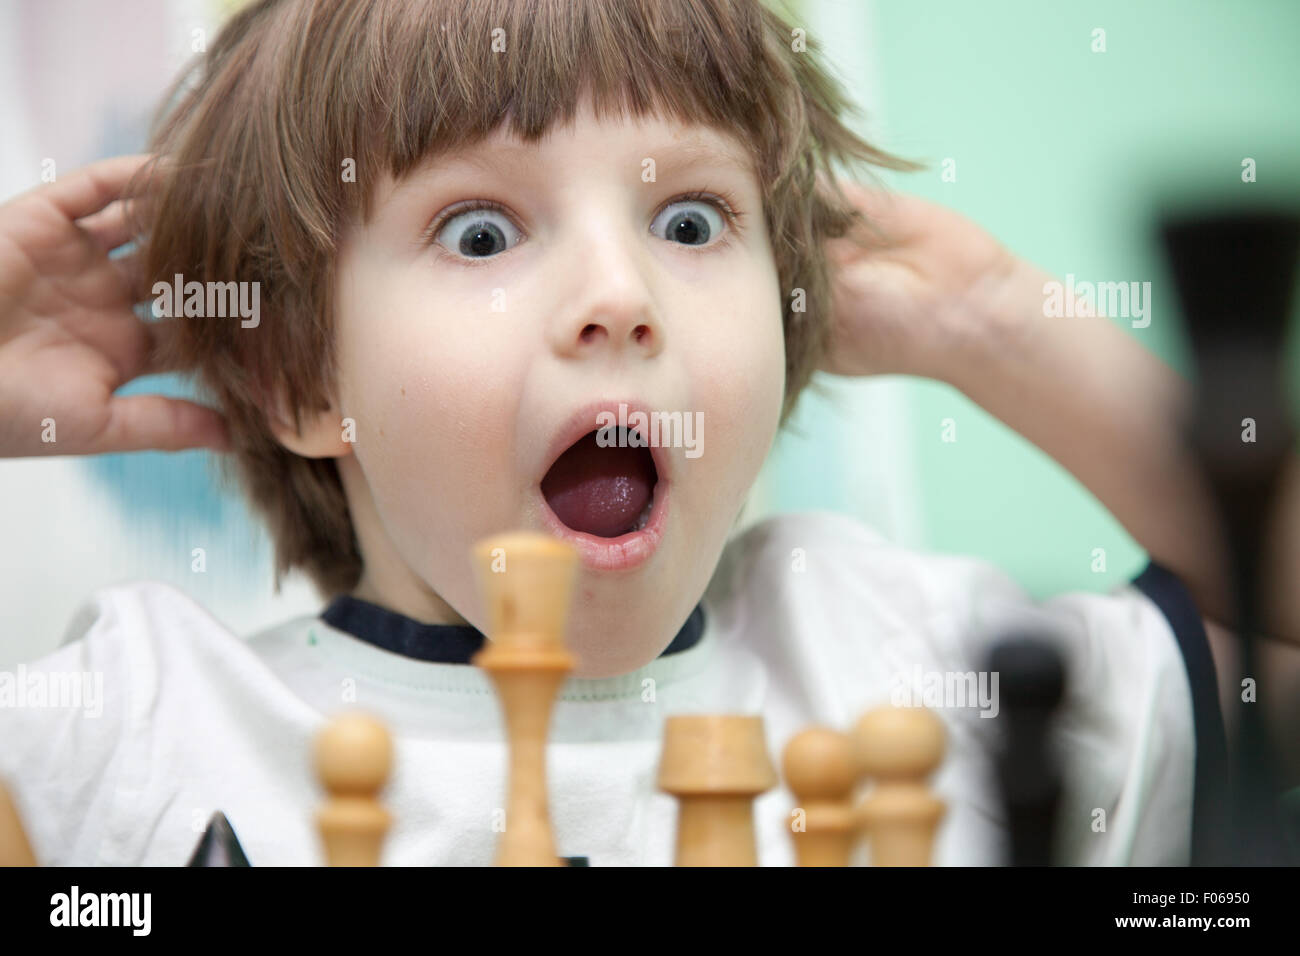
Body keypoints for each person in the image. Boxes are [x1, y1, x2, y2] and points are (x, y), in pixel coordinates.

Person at [0, 0, 1258, 865]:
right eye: (482, 232)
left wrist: (979, 314)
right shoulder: (132, 726)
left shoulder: (907, 653)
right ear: (298, 372)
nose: (619, 298)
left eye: (695, 221)